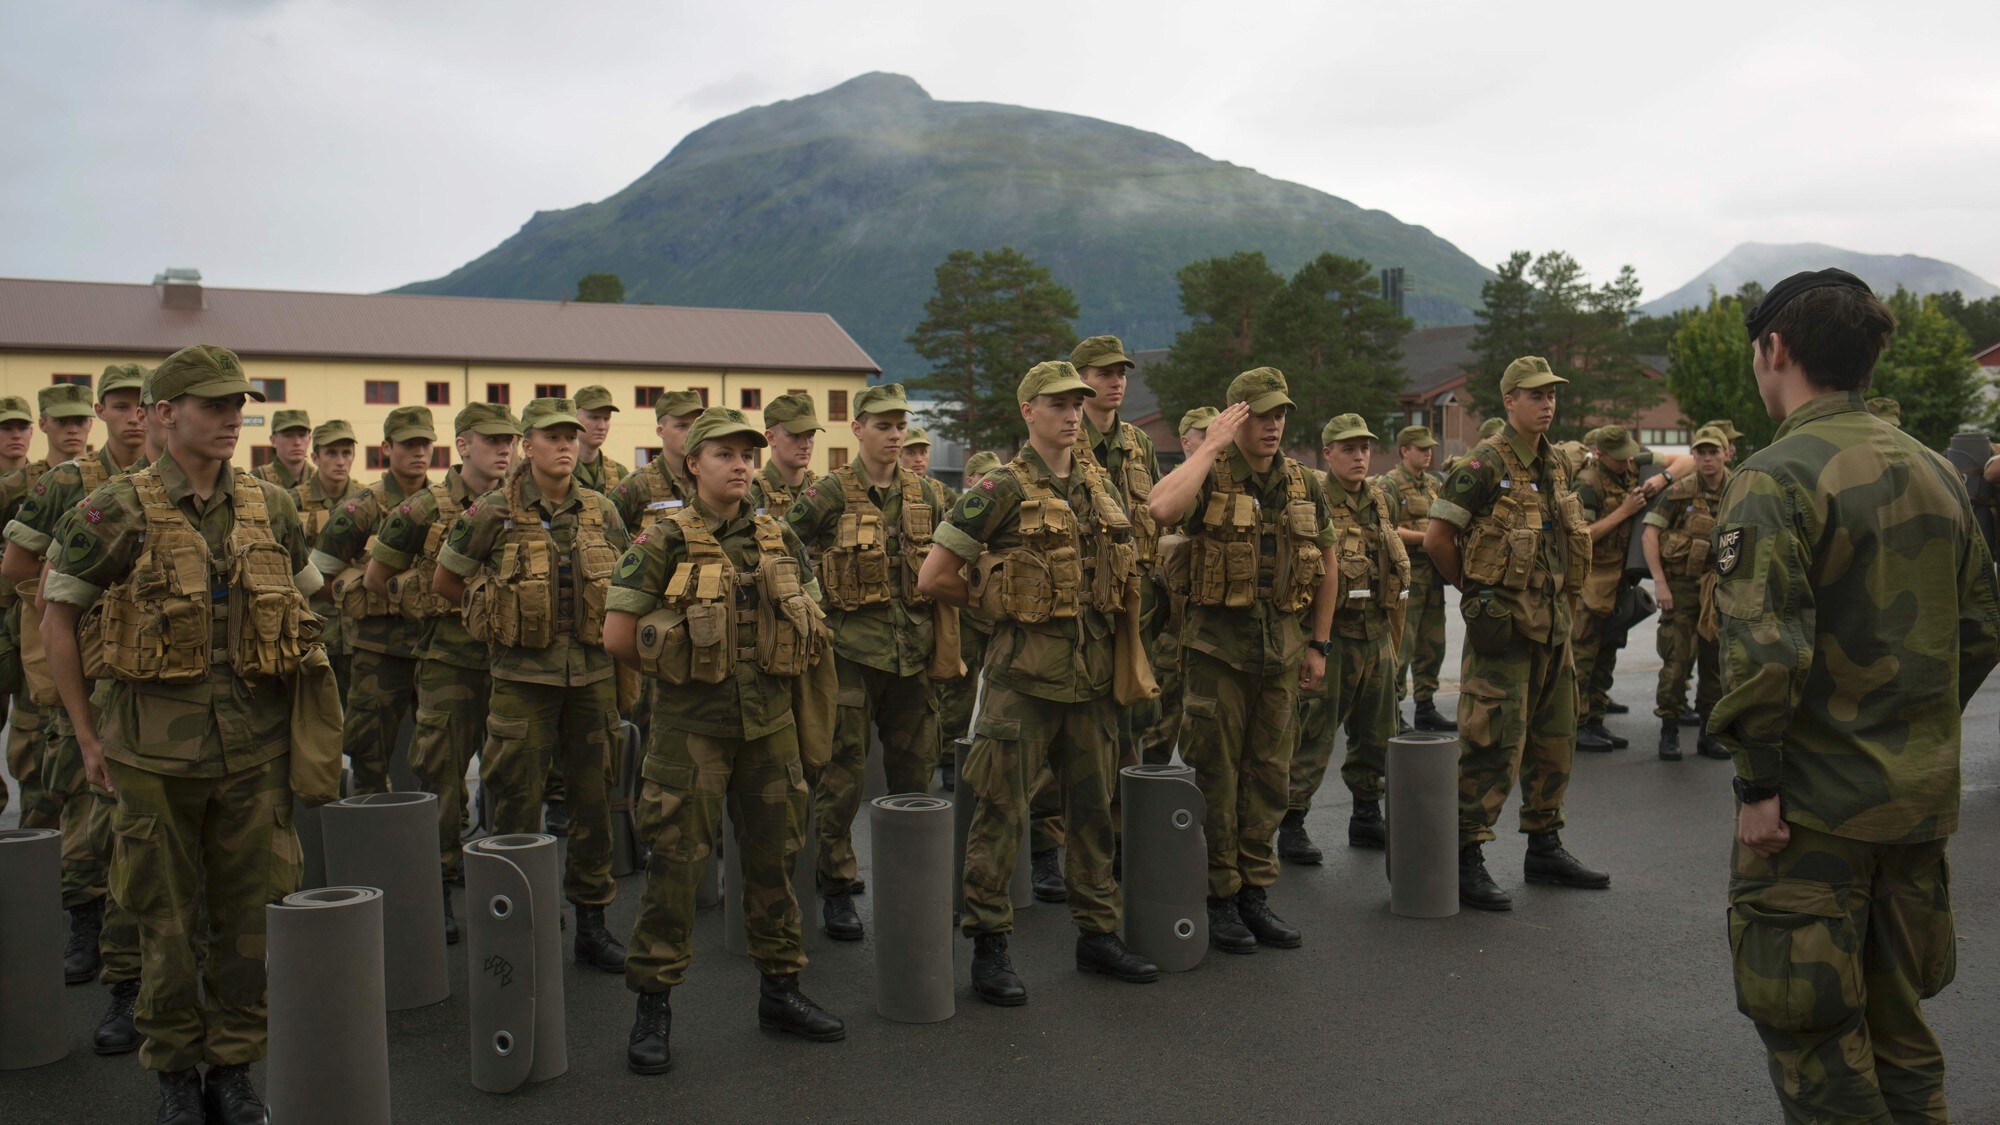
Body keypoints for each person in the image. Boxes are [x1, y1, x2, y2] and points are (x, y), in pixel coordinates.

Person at [1716, 268, 1999, 1123]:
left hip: (1814, 815)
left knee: (1813, 1041)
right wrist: (1912, 728)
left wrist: (1758, 786)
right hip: (1912, 803)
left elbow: (1762, 653)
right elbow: (1982, 626)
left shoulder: (1775, 476)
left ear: (1776, 349)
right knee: (1899, 1029)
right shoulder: (1938, 472)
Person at [41, 343, 329, 1125]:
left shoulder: (270, 505)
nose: (233, 418)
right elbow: (58, 617)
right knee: (160, 920)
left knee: (247, 919)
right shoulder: (116, 508)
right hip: (151, 758)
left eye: (240, 404)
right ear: (164, 414)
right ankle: (174, 1072)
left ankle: (232, 1067)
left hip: (252, 753)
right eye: (214, 405)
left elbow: (309, 607)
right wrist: (87, 735)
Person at [606, 406, 845, 1072]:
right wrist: (676, 676)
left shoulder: (778, 538)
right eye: (724, 454)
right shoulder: (663, 541)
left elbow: (815, 620)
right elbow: (618, 636)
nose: (740, 464)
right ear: (693, 464)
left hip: (770, 729)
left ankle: (782, 989)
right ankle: (652, 1006)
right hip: (690, 735)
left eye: (746, 454)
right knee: (675, 870)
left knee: (775, 862)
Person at [918, 360, 1159, 1003]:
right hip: (1022, 680)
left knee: (1093, 815)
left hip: (1093, 679)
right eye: (1058, 404)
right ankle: (989, 945)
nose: (1073, 413)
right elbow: (935, 576)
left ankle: (1097, 935)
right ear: (1028, 411)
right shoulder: (999, 487)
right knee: (999, 812)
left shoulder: (1098, 483)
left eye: (1078, 403)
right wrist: (999, 603)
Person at [432, 397, 629, 972]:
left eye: (571, 435)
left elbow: (626, 584)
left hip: (592, 678)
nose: (567, 444)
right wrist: (492, 617)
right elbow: (448, 579)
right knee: (517, 798)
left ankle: (592, 923)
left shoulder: (601, 510)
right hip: (522, 680)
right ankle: (517, 920)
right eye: (552, 436)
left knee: (593, 801)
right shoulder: (492, 512)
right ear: (527, 444)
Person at [1146, 368, 1338, 952]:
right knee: (1218, 779)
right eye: (1261, 414)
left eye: (1281, 414)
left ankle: (1256, 893)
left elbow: (1327, 563)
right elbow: (1160, 509)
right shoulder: (1209, 475)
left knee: (1270, 778)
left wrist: (1318, 644)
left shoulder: (1305, 484)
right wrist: (1209, 447)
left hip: (1280, 652)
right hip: (1216, 656)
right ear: (1236, 417)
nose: (1274, 424)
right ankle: (1219, 897)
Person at [1424, 356, 1609, 911]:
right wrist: (1474, 594)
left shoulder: (1554, 463)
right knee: (1492, 741)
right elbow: (1438, 537)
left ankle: (1544, 844)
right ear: (1509, 401)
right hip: (1504, 633)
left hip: (1553, 627)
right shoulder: (1482, 464)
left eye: (1551, 394)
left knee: (1555, 741)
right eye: (1534, 395)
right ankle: (1463, 856)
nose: (1547, 403)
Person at [1, 363, 149, 1010]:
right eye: (120, 405)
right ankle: (86, 927)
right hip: (81, 662)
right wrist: (67, 606)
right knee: (83, 805)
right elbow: (18, 565)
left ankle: (137, 945)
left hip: (146, 666)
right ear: (103, 410)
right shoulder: (68, 482)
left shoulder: (165, 480)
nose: (134, 416)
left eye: (143, 404)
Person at [782, 382, 949, 942]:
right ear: (858, 429)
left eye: (901, 425)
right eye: (883, 425)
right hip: (850, 655)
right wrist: (811, 597)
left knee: (916, 772)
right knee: (842, 773)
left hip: (914, 657)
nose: (895, 435)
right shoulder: (830, 493)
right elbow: (779, 542)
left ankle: (914, 884)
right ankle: (837, 885)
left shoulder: (929, 494)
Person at [364, 402, 521, 942]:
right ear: (463, 446)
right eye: (493, 440)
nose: (505, 450)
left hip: (510, 665)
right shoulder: (421, 508)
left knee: (512, 777)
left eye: (511, 440)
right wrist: (429, 600)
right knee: (442, 780)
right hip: (449, 664)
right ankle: (440, 893)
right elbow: (377, 576)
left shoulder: (523, 504)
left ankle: (508, 890)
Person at [1019, 335, 1159, 901]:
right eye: (1102, 373)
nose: (1115, 382)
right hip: (1067, 613)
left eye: (1121, 372)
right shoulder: (1059, 445)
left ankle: (1116, 845)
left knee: (1125, 733)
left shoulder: (1138, 444)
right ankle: (1046, 847)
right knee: (1064, 745)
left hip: (1126, 603)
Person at [1281, 415, 1409, 864]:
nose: (1359, 456)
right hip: (1332, 637)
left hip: (1375, 635)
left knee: (1377, 733)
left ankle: (1366, 815)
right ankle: (1292, 821)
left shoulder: (1378, 500)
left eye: (1365, 448)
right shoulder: (1312, 498)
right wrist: (1309, 644)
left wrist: (1392, 645)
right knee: (1313, 733)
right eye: (1348, 448)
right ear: (1327, 452)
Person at [310, 406, 436, 794]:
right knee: (369, 753)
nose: (418, 452)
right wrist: (361, 589)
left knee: (441, 754)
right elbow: (318, 577)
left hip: (436, 647)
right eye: (408, 444)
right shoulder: (361, 508)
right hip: (379, 648)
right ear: (387, 448)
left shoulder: (445, 504)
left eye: (425, 444)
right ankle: (372, 836)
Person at [0, 382, 97, 823]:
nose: (73, 429)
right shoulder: (20, 485)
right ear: (46, 425)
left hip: (88, 629)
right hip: (26, 622)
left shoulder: (106, 480)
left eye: (80, 420)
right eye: (63, 421)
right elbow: (15, 566)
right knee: (33, 737)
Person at [1643, 427, 1733, 761]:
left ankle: (1709, 735)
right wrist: (1660, 583)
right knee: (1677, 661)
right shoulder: (1679, 491)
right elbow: (1650, 534)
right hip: (1680, 588)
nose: (1707, 459)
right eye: (1701, 453)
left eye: (1714, 452)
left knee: (1716, 664)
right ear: (1693, 456)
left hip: (1719, 589)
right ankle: (1669, 730)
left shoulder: (1738, 489)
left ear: (1726, 453)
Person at [1137, 406, 1217, 763]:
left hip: (1209, 630)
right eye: (1205, 434)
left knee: (1208, 730)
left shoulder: (1222, 492)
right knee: (1159, 725)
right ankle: (1146, 796)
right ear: (1186, 441)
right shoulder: (1168, 491)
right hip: (1168, 631)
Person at [1570, 425, 1651, 752]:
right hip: (1594, 580)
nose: (1626, 461)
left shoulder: (1628, 468)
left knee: (1608, 652)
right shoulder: (1588, 483)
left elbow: (1681, 462)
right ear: (1600, 454)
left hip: (1620, 578)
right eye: (1619, 458)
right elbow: (1583, 535)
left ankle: (1596, 720)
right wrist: (1623, 512)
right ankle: (1576, 725)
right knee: (1583, 655)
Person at [1377, 424, 1453, 734]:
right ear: (1404, 450)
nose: (1428, 453)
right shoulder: (1390, 484)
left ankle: (1426, 706)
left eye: (1430, 448)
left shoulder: (1433, 484)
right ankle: (1392, 710)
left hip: (1432, 577)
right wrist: (1428, 538)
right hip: (1406, 578)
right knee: (1402, 645)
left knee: (1433, 644)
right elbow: (1385, 528)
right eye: (1421, 448)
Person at [935, 449, 1002, 789]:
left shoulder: (1008, 512)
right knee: (961, 689)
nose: (992, 481)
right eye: (985, 476)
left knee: (1003, 690)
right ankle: (950, 755)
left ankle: (991, 755)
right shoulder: (960, 514)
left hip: (1000, 616)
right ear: (970, 480)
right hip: (969, 615)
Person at [292, 421, 362, 700]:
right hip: (311, 626)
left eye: (346, 453)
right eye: (331, 453)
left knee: (358, 716)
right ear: (315, 457)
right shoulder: (291, 502)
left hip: (358, 628)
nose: (340, 461)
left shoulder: (367, 501)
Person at [610, 390, 704, 535]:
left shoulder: (709, 479)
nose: (691, 433)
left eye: (696, 426)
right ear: (661, 431)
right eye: (682, 426)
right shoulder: (637, 484)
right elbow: (611, 538)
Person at [750, 392, 823, 513]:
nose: (805, 445)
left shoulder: (823, 491)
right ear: (771, 438)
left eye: (810, 435)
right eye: (795, 436)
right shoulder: (751, 494)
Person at [573, 384, 628, 492]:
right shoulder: (558, 470)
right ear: (573, 418)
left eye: (606, 419)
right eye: (594, 418)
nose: (602, 426)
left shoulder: (619, 474)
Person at [252, 410, 311, 489]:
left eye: (302, 435)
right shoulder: (257, 480)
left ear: (309, 439)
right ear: (273, 440)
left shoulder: (322, 479)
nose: (297, 442)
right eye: (288, 436)